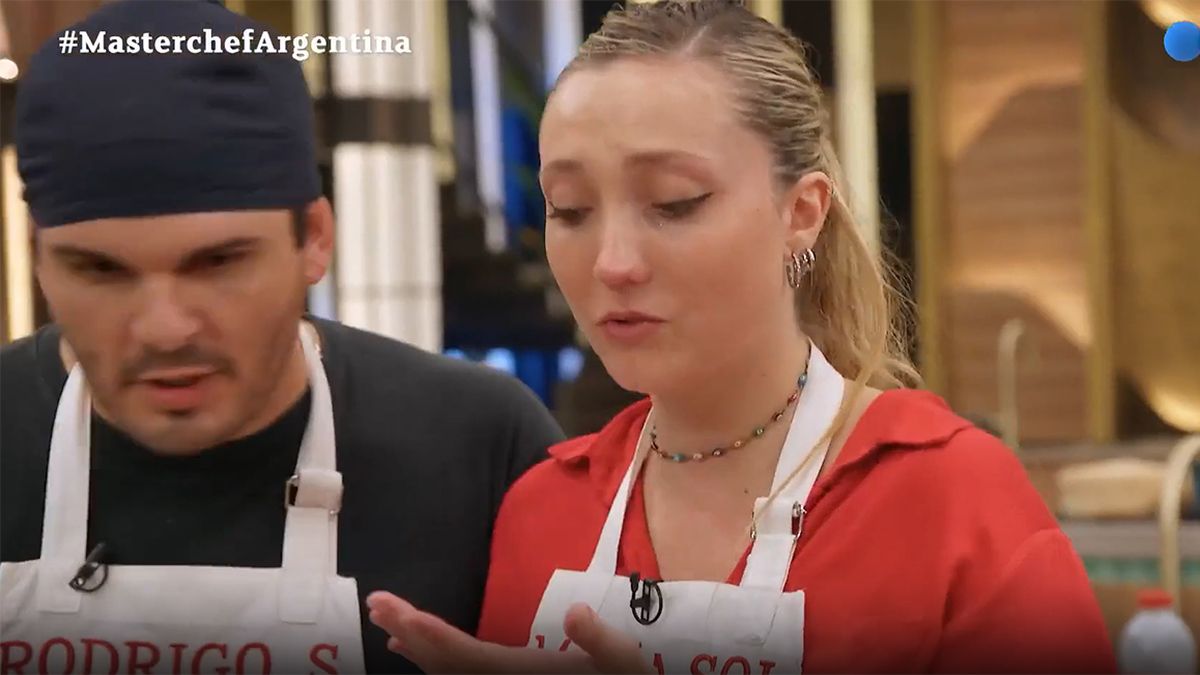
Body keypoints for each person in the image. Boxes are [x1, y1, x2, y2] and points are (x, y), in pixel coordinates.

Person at [365, 1, 1119, 673]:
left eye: (674, 202)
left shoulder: (946, 499)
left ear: (802, 212)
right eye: (569, 210)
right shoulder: (544, 512)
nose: (612, 262)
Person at [0, 1, 564, 673]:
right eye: (101, 270)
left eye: (218, 263)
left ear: (315, 239)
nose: (165, 329)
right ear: (39, 258)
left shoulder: (481, 445)